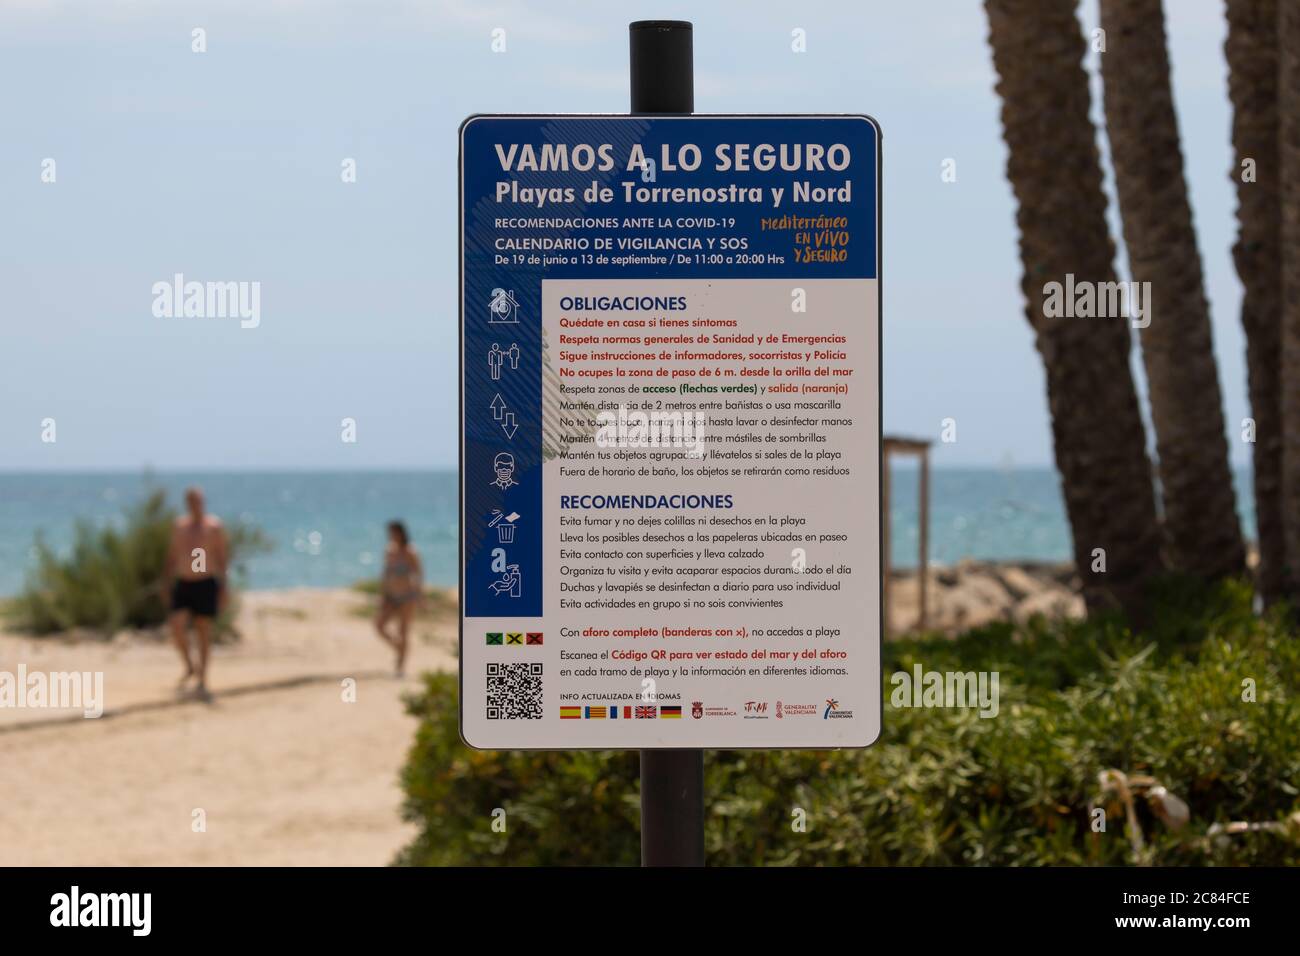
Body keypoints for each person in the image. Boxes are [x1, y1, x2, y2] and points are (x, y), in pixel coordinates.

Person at [163, 487, 229, 699]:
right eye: (192, 501)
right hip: (184, 583)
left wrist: (223, 587)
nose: (196, 505)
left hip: (205, 582)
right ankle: (190, 666)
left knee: (203, 632)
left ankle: (203, 678)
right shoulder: (180, 526)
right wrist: (166, 580)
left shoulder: (213, 526)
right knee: (177, 626)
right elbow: (173, 554)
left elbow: (221, 557)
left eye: (198, 501)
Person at [375, 521, 422, 677]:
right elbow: (385, 574)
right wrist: (383, 594)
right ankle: (399, 648)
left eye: (394, 532)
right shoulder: (389, 551)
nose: (391, 536)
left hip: (407, 596)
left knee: (403, 631)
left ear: (401, 533)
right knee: (379, 625)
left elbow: (418, 574)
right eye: (390, 533)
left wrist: (419, 596)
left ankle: (400, 667)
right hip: (391, 596)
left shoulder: (410, 551)